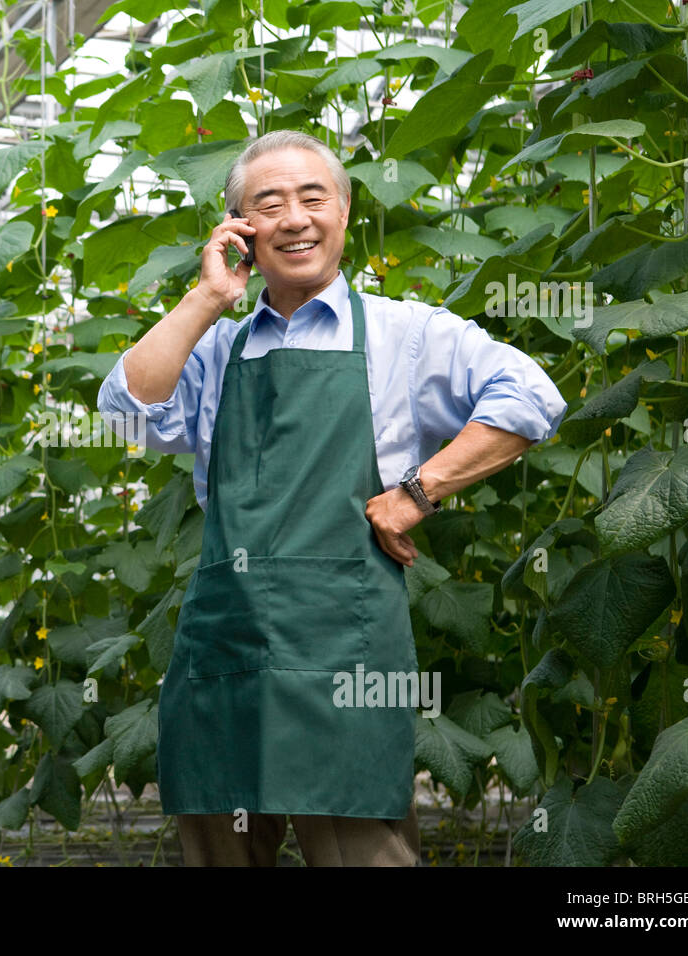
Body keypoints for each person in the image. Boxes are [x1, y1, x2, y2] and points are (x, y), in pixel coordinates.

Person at [96, 130, 568, 866]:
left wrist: (419, 489)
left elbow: (531, 396)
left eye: (313, 197)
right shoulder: (217, 350)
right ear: (239, 230)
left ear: (344, 211)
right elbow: (124, 413)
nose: (294, 218)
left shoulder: (404, 335)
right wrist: (206, 299)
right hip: (227, 653)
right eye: (268, 203)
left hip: (347, 661)